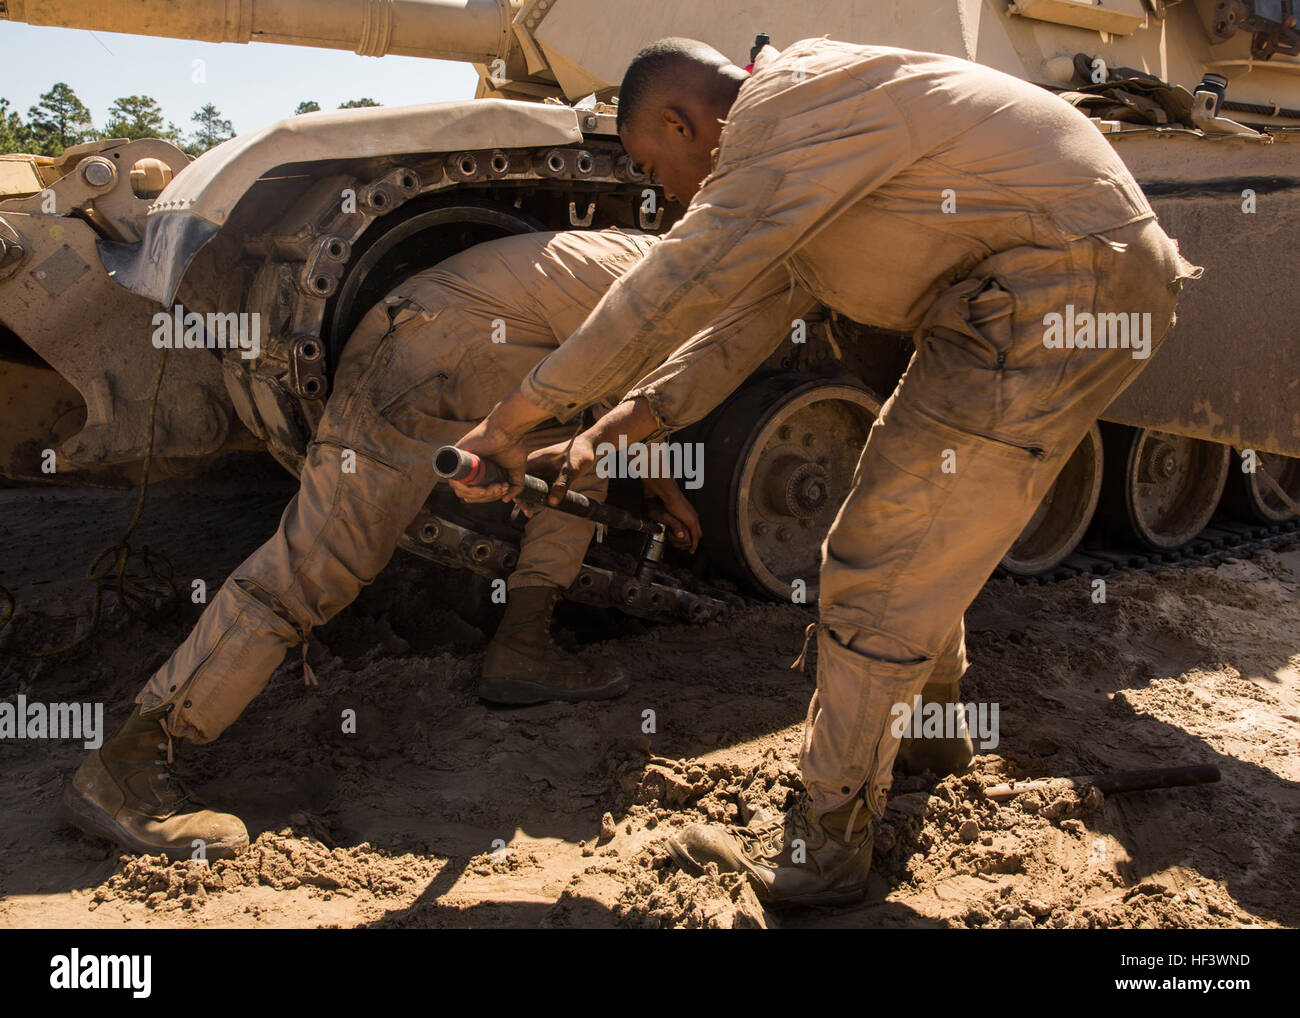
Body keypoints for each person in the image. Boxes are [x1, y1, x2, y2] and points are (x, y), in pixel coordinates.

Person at [450, 38, 1200, 906]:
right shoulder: (814, 135)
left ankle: (829, 843)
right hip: (1030, 294)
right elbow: (744, 318)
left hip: (1056, 292)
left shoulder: (784, 110)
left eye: (658, 165)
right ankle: (928, 739)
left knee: (880, 552)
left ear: (682, 120)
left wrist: (512, 418)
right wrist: (610, 430)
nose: (669, 193)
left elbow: (676, 284)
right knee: (925, 525)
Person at [65, 226, 799, 860]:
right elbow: (647, 387)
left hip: (456, 357)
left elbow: (616, 397)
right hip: (419, 358)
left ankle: (523, 647)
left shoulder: (679, 257)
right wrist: (662, 482)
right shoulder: (713, 280)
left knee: (584, 474)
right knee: (322, 562)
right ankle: (132, 757)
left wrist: (660, 485)